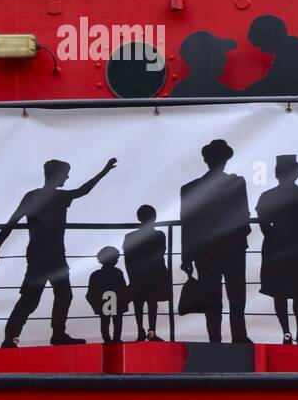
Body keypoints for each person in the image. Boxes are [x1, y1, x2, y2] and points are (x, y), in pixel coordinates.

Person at [0, 158, 117, 347]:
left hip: (43, 255)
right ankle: (35, 336)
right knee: (45, 297)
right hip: (51, 256)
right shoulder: (59, 197)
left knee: (44, 297)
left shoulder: (32, 196)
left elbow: (11, 223)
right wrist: (104, 171)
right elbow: (83, 190)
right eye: (65, 174)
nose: (67, 177)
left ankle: (21, 336)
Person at [180, 139, 251, 343]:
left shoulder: (190, 188)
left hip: (205, 250)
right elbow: (243, 216)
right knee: (237, 294)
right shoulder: (237, 183)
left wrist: (186, 256)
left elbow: (188, 224)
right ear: (226, 160)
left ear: (206, 160)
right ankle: (239, 335)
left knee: (211, 296)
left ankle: (214, 338)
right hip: (233, 247)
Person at [255, 155, 298, 344]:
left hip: (276, 244)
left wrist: (276, 235)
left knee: (279, 292)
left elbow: (263, 222)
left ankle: (287, 333)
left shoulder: (268, 196)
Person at [122, 204, 169, 341]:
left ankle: (140, 331)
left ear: (139, 218)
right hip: (154, 274)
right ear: (154, 217)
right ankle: (151, 332)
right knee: (152, 304)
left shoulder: (129, 236)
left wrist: (131, 276)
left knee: (138, 304)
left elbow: (128, 259)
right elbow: (160, 255)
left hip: (137, 275)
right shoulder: (159, 235)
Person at [242, 15, 298, 96]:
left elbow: (274, 81)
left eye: (261, 44)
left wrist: (244, 94)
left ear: (269, 37)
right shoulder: (293, 45)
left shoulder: (292, 47)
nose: (262, 49)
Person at [171, 31, 238, 98]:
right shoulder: (213, 88)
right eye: (220, 54)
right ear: (205, 57)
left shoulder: (181, 89)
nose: (226, 59)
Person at [85, 246, 129, 343]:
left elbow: (90, 294)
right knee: (117, 321)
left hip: (104, 303)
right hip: (117, 302)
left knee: (105, 322)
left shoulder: (95, 275)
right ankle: (116, 339)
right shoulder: (118, 273)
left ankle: (107, 340)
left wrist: (96, 305)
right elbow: (123, 289)